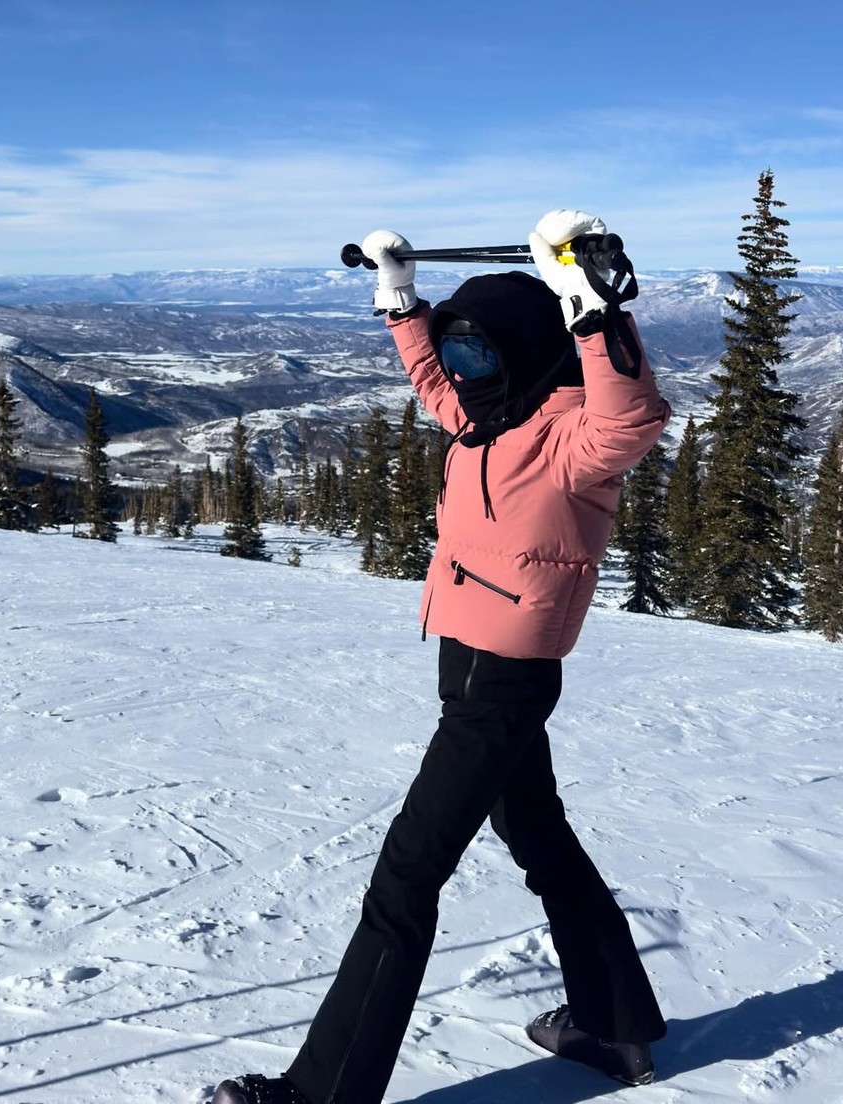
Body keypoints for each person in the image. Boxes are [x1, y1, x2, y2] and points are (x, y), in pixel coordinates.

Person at [210, 209, 672, 1104]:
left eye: (482, 354)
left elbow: (636, 409)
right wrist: (400, 297)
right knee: (539, 836)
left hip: (505, 680)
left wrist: (585, 298)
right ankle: (615, 1030)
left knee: (408, 874)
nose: (464, 372)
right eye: (464, 354)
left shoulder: (578, 440)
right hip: (465, 656)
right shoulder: (489, 419)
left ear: (531, 351)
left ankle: (322, 1093)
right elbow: (431, 382)